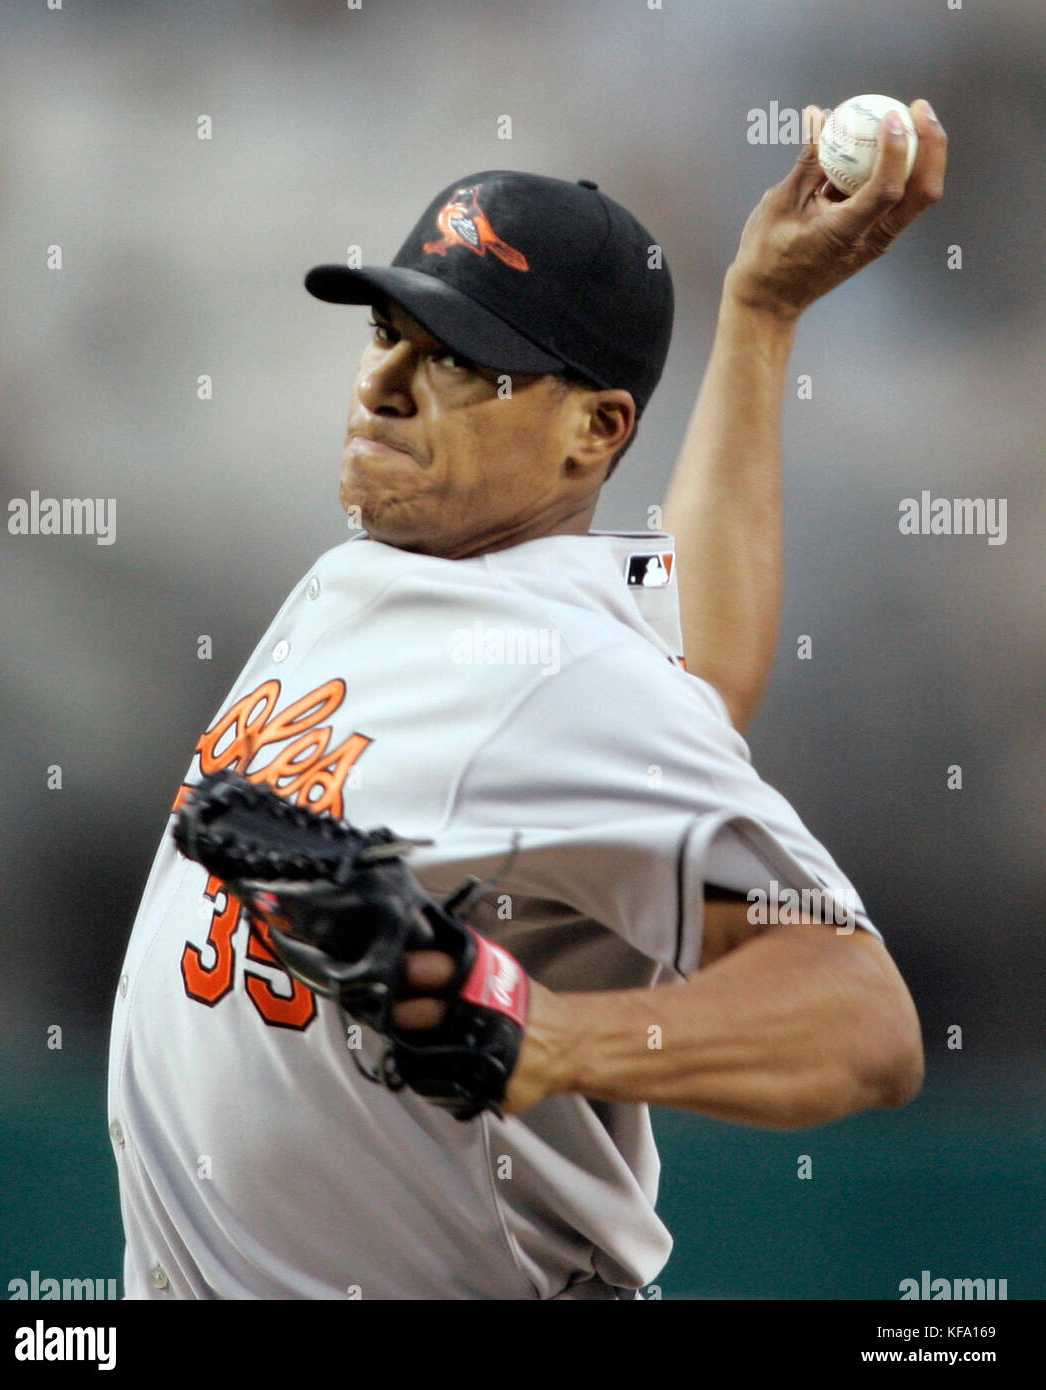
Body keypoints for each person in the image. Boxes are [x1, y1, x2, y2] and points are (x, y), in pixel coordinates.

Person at [108, 102, 947, 1300]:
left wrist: (538, 1030)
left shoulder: (561, 669)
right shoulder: (433, 574)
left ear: (593, 430)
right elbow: (702, 665)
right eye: (386, 330)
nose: (384, 383)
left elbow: (865, 1017)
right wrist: (759, 316)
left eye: (456, 357)